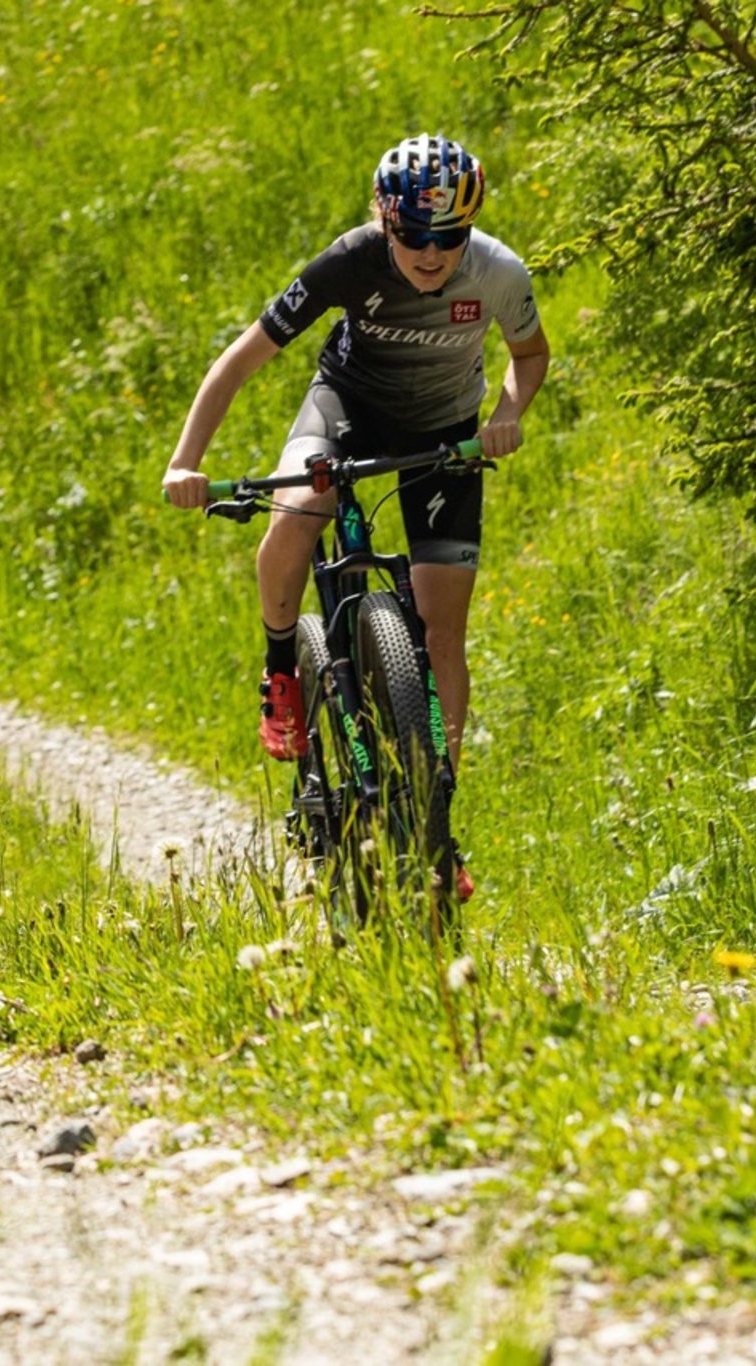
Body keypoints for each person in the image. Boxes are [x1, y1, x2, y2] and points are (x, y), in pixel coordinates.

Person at [163, 134, 550, 899]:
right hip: (347, 407)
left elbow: (530, 354)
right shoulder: (350, 260)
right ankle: (282, 667)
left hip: (444, 432)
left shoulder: (499, 273)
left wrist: (507, 412)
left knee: (444, 625)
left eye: (450, 237)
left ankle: (437, 827)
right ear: (384, 219)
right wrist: (185, 461)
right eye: (413, 236)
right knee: (300, 511)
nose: (432, 254)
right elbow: (239, 361)